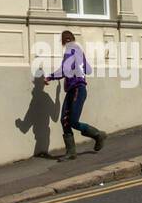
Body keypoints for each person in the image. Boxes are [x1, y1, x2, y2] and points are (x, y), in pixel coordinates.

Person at [45, 30, 106, 162]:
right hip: (73, 89)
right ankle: (71, 152)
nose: (67, 42)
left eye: (67, 40)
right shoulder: (77, 51)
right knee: (65, 120)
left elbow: (64, 70)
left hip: (78, 88)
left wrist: (50, 77)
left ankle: (98, 135)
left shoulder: (72, 50)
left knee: (72, 120)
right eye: (65, 40)